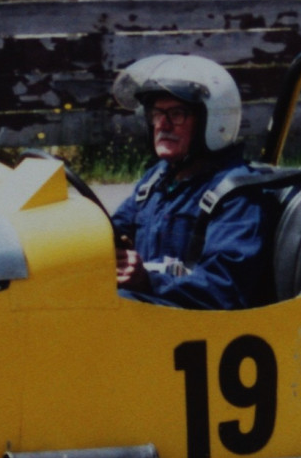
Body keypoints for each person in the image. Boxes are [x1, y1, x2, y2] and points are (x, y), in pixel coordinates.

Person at [109, 54, 268, 310]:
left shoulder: (237, 195)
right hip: (157, 318)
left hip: (200, 331)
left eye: (177, 113)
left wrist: (148, 281)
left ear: (214, 121)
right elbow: (111, 232)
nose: (163, 124)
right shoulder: (157, 179)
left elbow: (224, 288)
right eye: (157, 112)